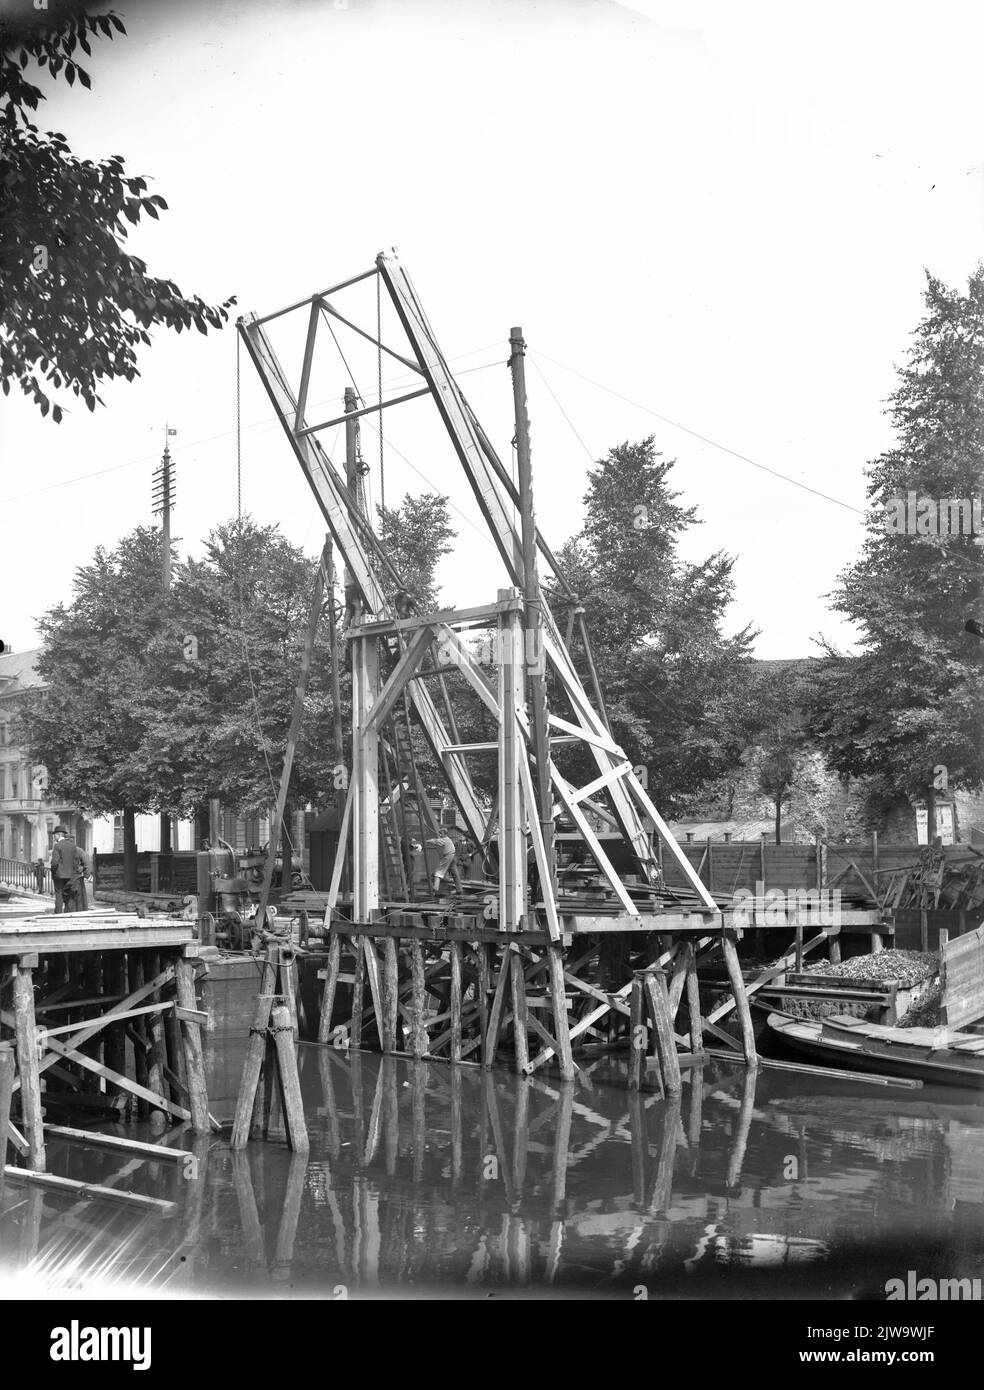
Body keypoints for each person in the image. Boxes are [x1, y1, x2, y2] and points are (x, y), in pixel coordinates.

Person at [425, 830, 461, 896]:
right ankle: (459, 889)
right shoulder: (448, 840)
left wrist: (428, 841)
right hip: (452, 857)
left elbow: (436, 841)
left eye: (441, 833)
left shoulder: (445, 840)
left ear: (444, 834)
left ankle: (435, 889)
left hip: (448, 856)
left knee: (438, 873)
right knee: (454, 873)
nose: (440, 835)